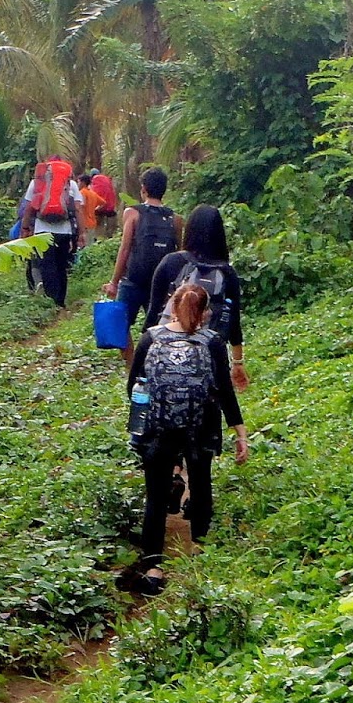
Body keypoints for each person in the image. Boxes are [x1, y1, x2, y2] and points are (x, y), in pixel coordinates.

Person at [125, 282, 248, 595]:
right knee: (202, 486)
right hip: (201, 427)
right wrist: (240, 431)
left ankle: (153, 569)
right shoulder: (212, 342)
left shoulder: (151, 337)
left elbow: (134, 387)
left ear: (172, 305)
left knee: (156, 497)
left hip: (158, 429)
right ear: (205, 311)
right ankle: (200, 556)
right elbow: (224, 390)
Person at [144, 204, 249, 392]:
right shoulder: (227, 272)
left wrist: (144, 358)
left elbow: (152, 314)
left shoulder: (171, 262)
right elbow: (233, 322)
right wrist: (238, 363)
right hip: (209, 356)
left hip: (166, 356)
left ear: (189, 230)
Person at [103, 168, 183, 363]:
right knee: (159, 329)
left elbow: (125, 249)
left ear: (143, 189)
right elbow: (180, 255)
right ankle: (151, 366)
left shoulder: (132, 213)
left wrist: (114, 282)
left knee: (120, 326)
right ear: (164, 190)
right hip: (160, 284)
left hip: (132, 280)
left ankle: (132, 367)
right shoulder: (175, 219)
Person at [17, 156, 84, 307]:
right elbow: (78, 209)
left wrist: (25, 228)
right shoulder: (71, 184)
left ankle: (52, 302)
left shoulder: (37, 182)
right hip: (65, 232)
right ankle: (60, 302)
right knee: (61, 266)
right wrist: (82, 233)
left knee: (47, 266)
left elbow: (29, 208)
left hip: (42, 231)